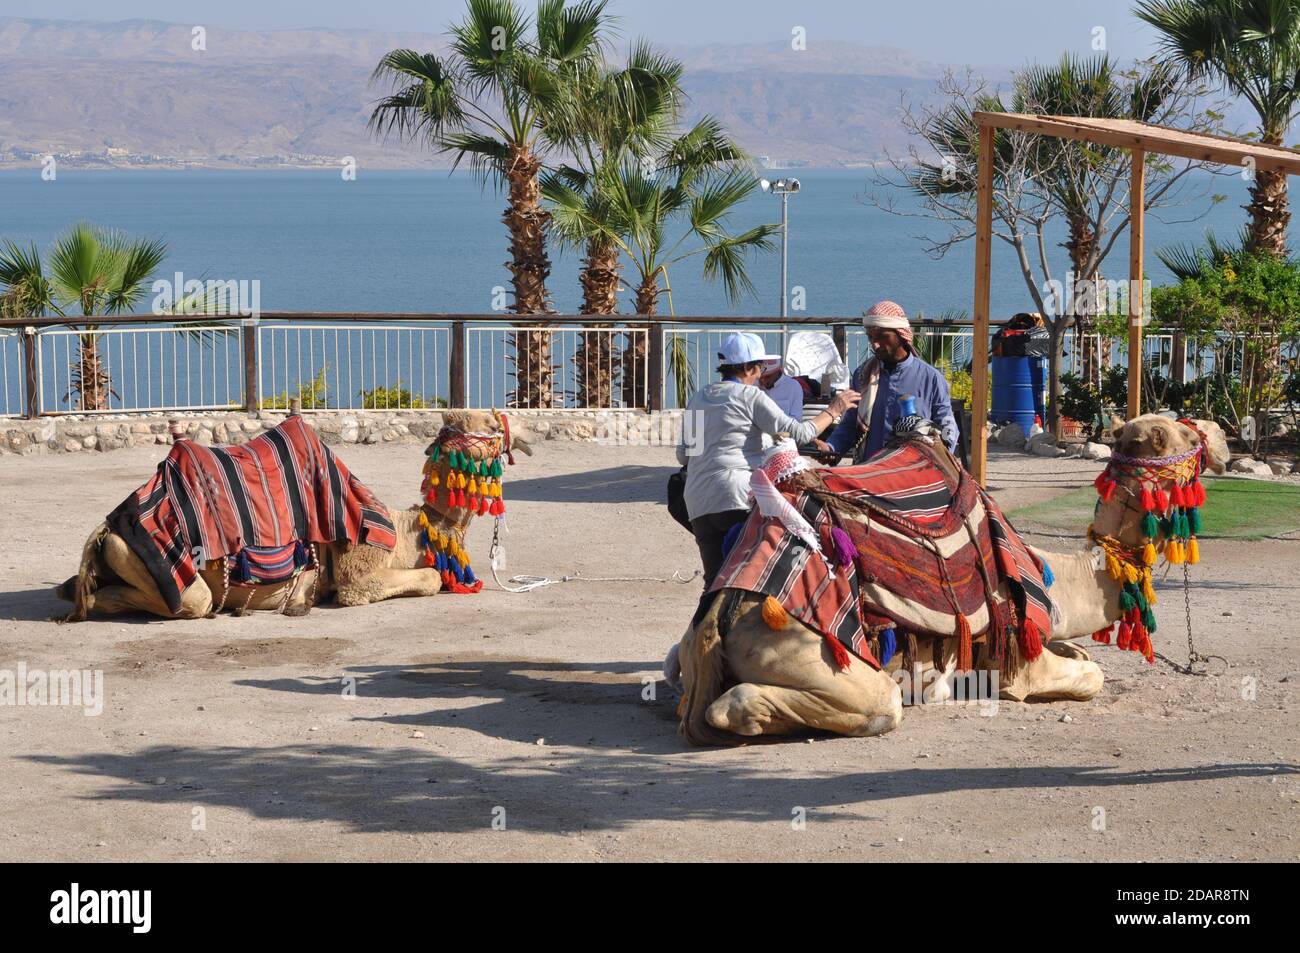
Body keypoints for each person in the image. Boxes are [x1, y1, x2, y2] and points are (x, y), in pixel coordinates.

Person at [677, 332, 859, 588]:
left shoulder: (699, 398)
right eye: (760, 367)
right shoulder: (751, 397)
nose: (762, 373)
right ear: (749, 368)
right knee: (747, 580)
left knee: (714, 583)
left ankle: (705, 626)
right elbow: (800, 433)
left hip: (699, 501)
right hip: (737, 498)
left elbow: (684, 454)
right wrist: (834, 410)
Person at [821, 300, 959, 464]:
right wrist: (831, 447)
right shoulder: (863, 375)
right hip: (869, 468)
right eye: (871, 337)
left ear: (901, 335)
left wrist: (940, 455)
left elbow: (947, 427)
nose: (875, 344)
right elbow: (851, 424)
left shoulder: (931, 378)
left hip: (912, 471)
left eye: (882, 337)